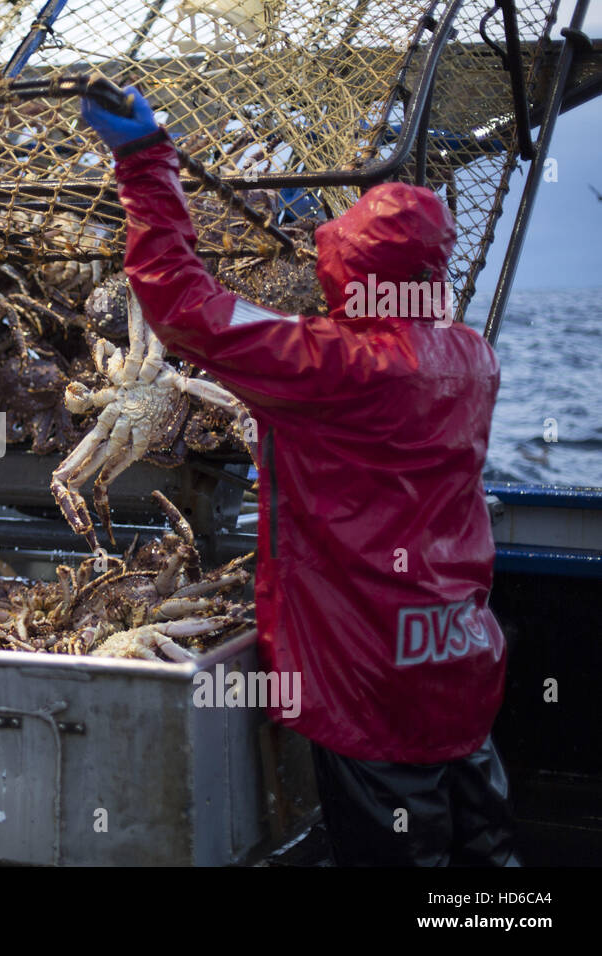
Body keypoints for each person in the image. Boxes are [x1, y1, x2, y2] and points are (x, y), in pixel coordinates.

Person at [82, 89, 516, 866]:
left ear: (348, 266)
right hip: (458, 649)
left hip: (369, 671)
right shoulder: (471, 357)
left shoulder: (333, 363)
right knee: (483, 846)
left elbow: (183, 304)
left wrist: (144, 163)